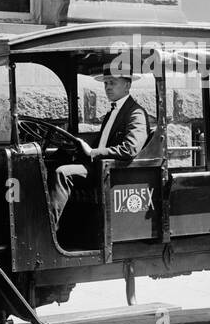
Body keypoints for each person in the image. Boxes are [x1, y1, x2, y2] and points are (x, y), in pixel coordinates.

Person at [49, 65, 149, 239]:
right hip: (99, 167)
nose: (108, 87)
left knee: (62, 173)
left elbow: (130, 148)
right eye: (106, 83)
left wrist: (93, 152)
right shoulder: (113, 112)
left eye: (113, 83)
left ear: (127, 85)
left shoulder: (135, 113)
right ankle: (63, 228)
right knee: (54, 163)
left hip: (112, 173)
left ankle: (49, 232)